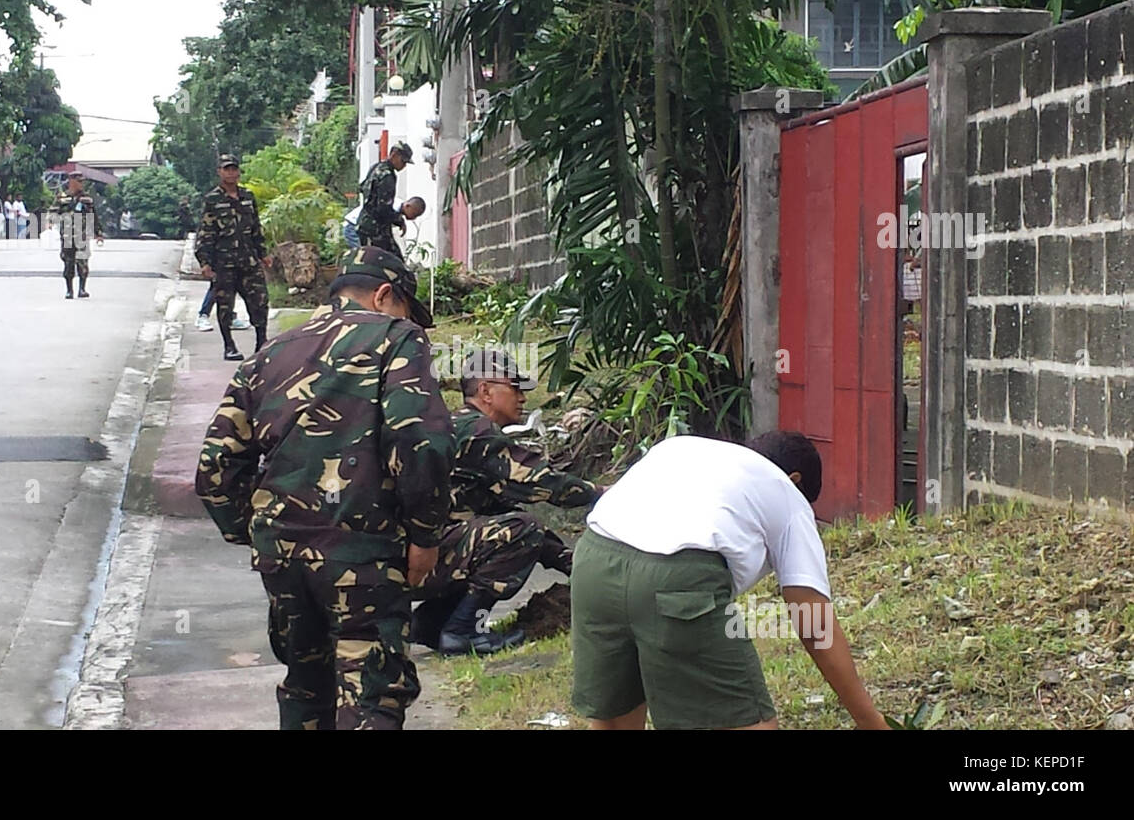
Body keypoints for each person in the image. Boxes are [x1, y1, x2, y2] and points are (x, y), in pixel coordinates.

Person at [195, 245, 455, 730]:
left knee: (306, 682)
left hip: (282, 554)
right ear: (383, 295)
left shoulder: (270, 353)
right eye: (404, 307)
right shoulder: (398, 339)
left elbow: (215, 465)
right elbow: (420, 440)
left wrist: (251, 531)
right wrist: (426, 534)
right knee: (371, 693)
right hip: (363, 552)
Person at [569, 431, 889, 730]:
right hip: (677, 580)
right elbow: (815, 624)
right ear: (795, 480)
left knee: (616, 717)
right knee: (749, 721)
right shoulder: (787, 494)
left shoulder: (684, 448)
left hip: (593, 565)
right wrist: (872, 722)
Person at [410, 348, 605, 655]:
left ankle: (434, 622)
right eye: (515, 388)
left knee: (513, 526)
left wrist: (576, 567)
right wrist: (602, 493)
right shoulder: (477, 433)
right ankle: (463, 630)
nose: (523, 398)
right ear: (485, 391)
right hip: (418, 556)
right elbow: (543, 483)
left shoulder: (458, 426)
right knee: (518, 532)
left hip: (416, 552)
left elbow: (504, 511)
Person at [194, 154, 270, 360]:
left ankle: (261, 342)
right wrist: (205, 262)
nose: (231, 173)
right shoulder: (212, 199)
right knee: (225, 305)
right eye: (226, 169)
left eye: (234, 169)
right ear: (219, 172)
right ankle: (229, 346)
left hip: (248, 261)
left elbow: (256, 228)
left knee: (260, 301)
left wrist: (263, 254)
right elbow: (206, 232)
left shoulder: (247, 196)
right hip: (224, 263)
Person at [356, 142, 414, 259]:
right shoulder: (387, 176)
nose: (404, 166)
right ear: (394, 155)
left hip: (367, 225)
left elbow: (363, 189)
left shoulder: (376, 168)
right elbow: (383, 209)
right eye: (403, 161)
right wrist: (398, 219)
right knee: (389, 262)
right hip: (375, 229)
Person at [56, 171, 105, 299]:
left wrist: (98, 233)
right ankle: (69, 290)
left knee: (83, 262)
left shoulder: (86, 199)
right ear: (71, 181)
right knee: (68, 263)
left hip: (82, 235)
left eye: (82, 181)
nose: (81, 184)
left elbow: (93, 216)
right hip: (67, 236)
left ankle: (82, 289)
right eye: (79, 181)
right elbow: (53, 212)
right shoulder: (62, 197)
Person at [344, 196, 425, 251]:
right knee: (361, 253)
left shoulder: (397, 207)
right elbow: (386, 216)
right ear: (408, 206)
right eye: (414, 214)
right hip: (353, 225)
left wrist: (401, 222)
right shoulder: (393, 206)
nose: (414, 218)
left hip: (362, 227)